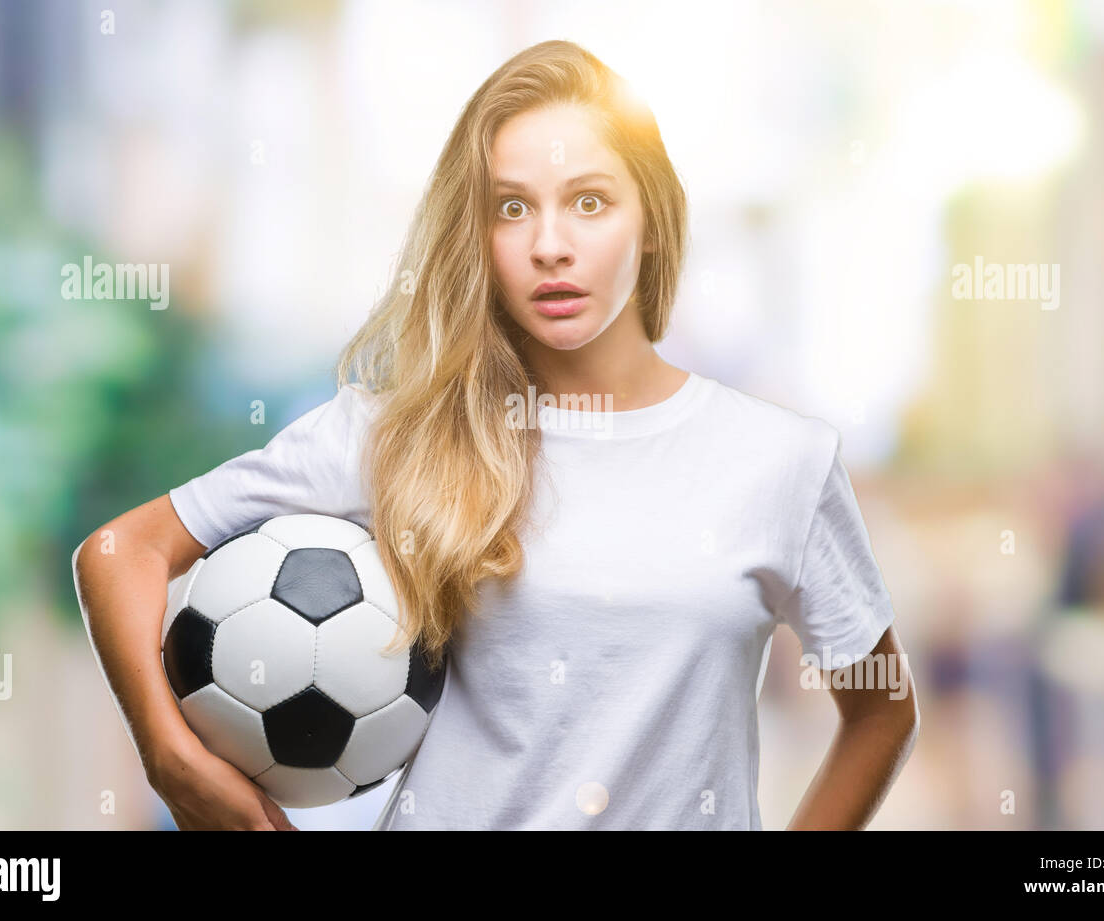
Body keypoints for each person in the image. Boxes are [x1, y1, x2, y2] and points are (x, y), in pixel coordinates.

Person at [72, 39, 919, 831]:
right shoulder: (395, 434)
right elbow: (120, 553)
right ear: (478, 236)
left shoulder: (780, 463)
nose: (551, 245)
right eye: (512, 208)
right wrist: (170, 755)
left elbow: (881, 712)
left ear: (652, 218)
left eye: (590, 202)